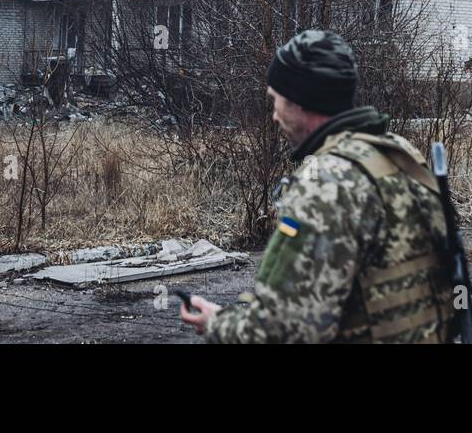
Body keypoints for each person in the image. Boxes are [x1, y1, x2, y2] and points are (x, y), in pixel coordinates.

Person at [180, 29, 455, 343]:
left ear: (299, 101)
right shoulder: (398, 154)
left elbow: (285, 331)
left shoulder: (327, 182)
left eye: (276, 100)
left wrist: (218, 323)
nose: (273, 115)